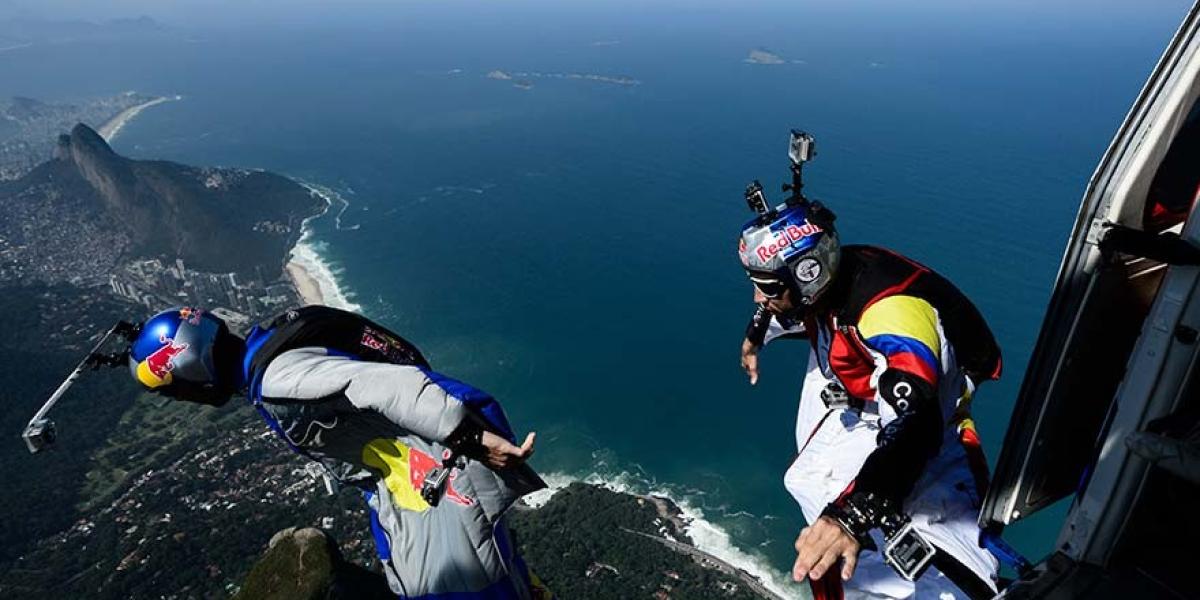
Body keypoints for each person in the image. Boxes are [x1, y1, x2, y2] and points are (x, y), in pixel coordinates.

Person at [127, 304, 553, 600]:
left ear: (191, 375)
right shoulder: (271, 343)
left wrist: (470, 438)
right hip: (415, 481)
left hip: (440, 484)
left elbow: (390, 386)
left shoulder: (278, 381)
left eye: (180, 391)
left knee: (462, 588)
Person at [737, 200, 1003, 599]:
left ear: (808, 274)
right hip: (866, 401)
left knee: (945, 578)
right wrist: (756, 335)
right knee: (809, 484)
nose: (759, 297)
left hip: (934, 431)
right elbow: (784, 308)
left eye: (768, 287)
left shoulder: (892, 314)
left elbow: (918, 423)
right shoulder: (830, 281)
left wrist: (852, 515)